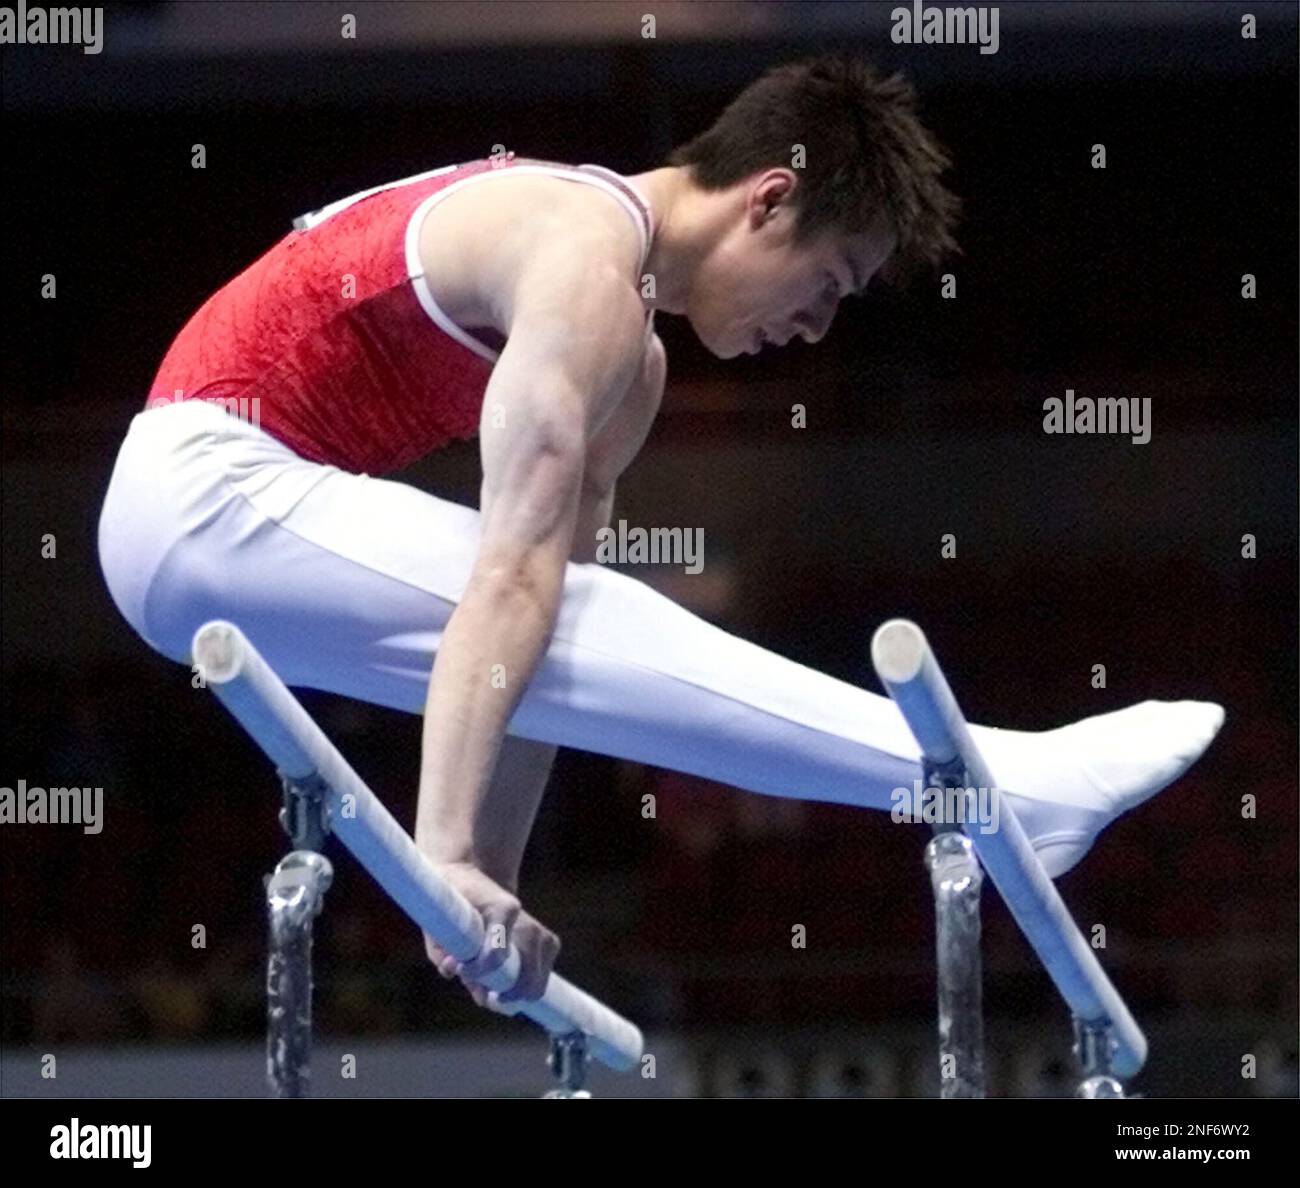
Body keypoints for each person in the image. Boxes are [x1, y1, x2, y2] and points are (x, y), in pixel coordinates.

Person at [97, 55, 1223, 1007]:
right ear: (767, 199)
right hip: (200, 491)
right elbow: (511, 580)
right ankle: (993, 787)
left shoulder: (631, 365)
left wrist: (476, 886)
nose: (817, 326)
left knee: (574, 617)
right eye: (828, 284)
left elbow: (538, 656)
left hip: (216, 541)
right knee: (564, 589)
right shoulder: (581, 254)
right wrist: (438, 847)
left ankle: (990, 786)